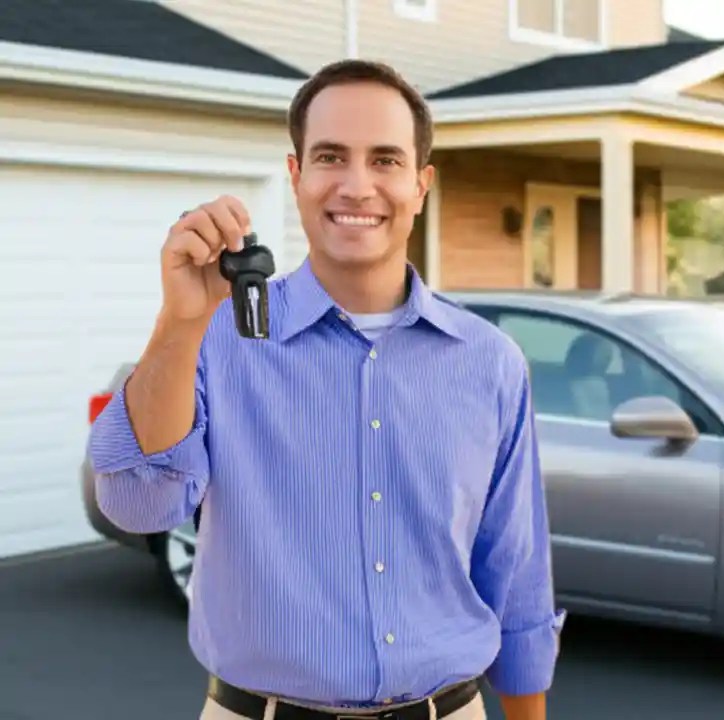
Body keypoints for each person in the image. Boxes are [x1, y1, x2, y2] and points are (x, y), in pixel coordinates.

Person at [87, 58, 564, 720]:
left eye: (386, 160)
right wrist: (180, 322)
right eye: (332, 156)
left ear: (421, 185)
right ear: (297, 176)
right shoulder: (217, 340)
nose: (357, 185)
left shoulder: (491, 363)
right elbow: (137, 504)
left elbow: (515, 576)